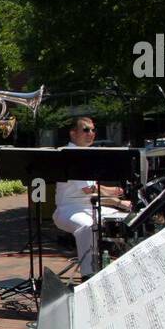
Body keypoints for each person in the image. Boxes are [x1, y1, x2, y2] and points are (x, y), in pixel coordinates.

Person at [52, 116, 131, 279]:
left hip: (88, 206)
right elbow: (89, 190)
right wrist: (116, 195)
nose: (91, 133)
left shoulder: (85, 154)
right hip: (68, 210)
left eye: (93, 130)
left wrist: (118, 199)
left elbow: (93, 196)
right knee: (88, 226)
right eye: (86, 129)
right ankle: (88, 276)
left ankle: (122, 269)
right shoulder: (71, 155)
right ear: (73, 134)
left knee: (128, 219)